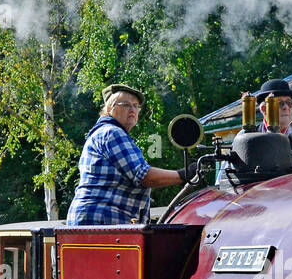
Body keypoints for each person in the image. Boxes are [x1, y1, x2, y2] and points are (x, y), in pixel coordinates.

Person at [67, 85, 197, 226]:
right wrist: (184, 175)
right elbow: (143, 176)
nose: (133, 110)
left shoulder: (104, 133)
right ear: (110, 108)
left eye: (136, 106)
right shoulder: (112, 133)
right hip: (100, 218)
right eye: (126, 105)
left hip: (93, 219)